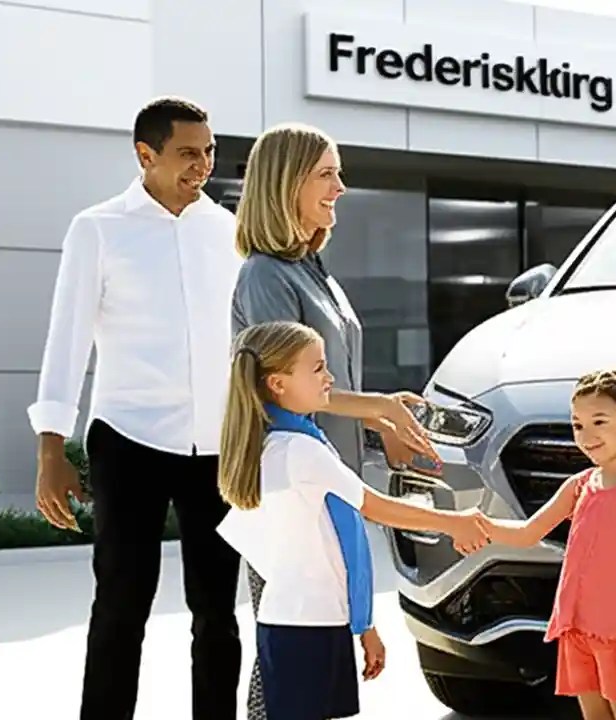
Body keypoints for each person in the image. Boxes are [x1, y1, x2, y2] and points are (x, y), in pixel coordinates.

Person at [28, 97, 246, 719]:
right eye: (187, 153)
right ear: (145, 154)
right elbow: (67, 337)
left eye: (210, 151)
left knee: (217, 611)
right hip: (129, 440)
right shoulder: (97, 228)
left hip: (217, 446)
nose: (203, 165)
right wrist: (51, 448)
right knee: (122, 606)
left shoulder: (229, 232)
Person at [228, 121, 449, 718]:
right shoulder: (265, 275)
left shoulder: (312, 268)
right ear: (286, 182)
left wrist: (378, 427)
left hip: (326, 488)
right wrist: (378, 409)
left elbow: (327, 384)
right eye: (327, 174)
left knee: (314, 665)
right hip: (290, 498)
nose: (340, 188)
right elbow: (286, 386)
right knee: (283, 663)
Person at [214, 320, 491, 720]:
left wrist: (364, 627)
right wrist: (454, 522)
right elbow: (375, 506)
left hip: (311, 619)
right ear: (278, 384)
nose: (329, 378)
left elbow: (328, 544)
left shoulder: (282, 443)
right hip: (306, 625)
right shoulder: (300, 451)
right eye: (317, 368)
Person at [481, 369, 616, 720]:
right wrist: (478, 526)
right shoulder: (579, 484)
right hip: (577, 630)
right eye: (578, 425)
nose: (586, 436)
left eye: (599, 422)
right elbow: (529, 532)